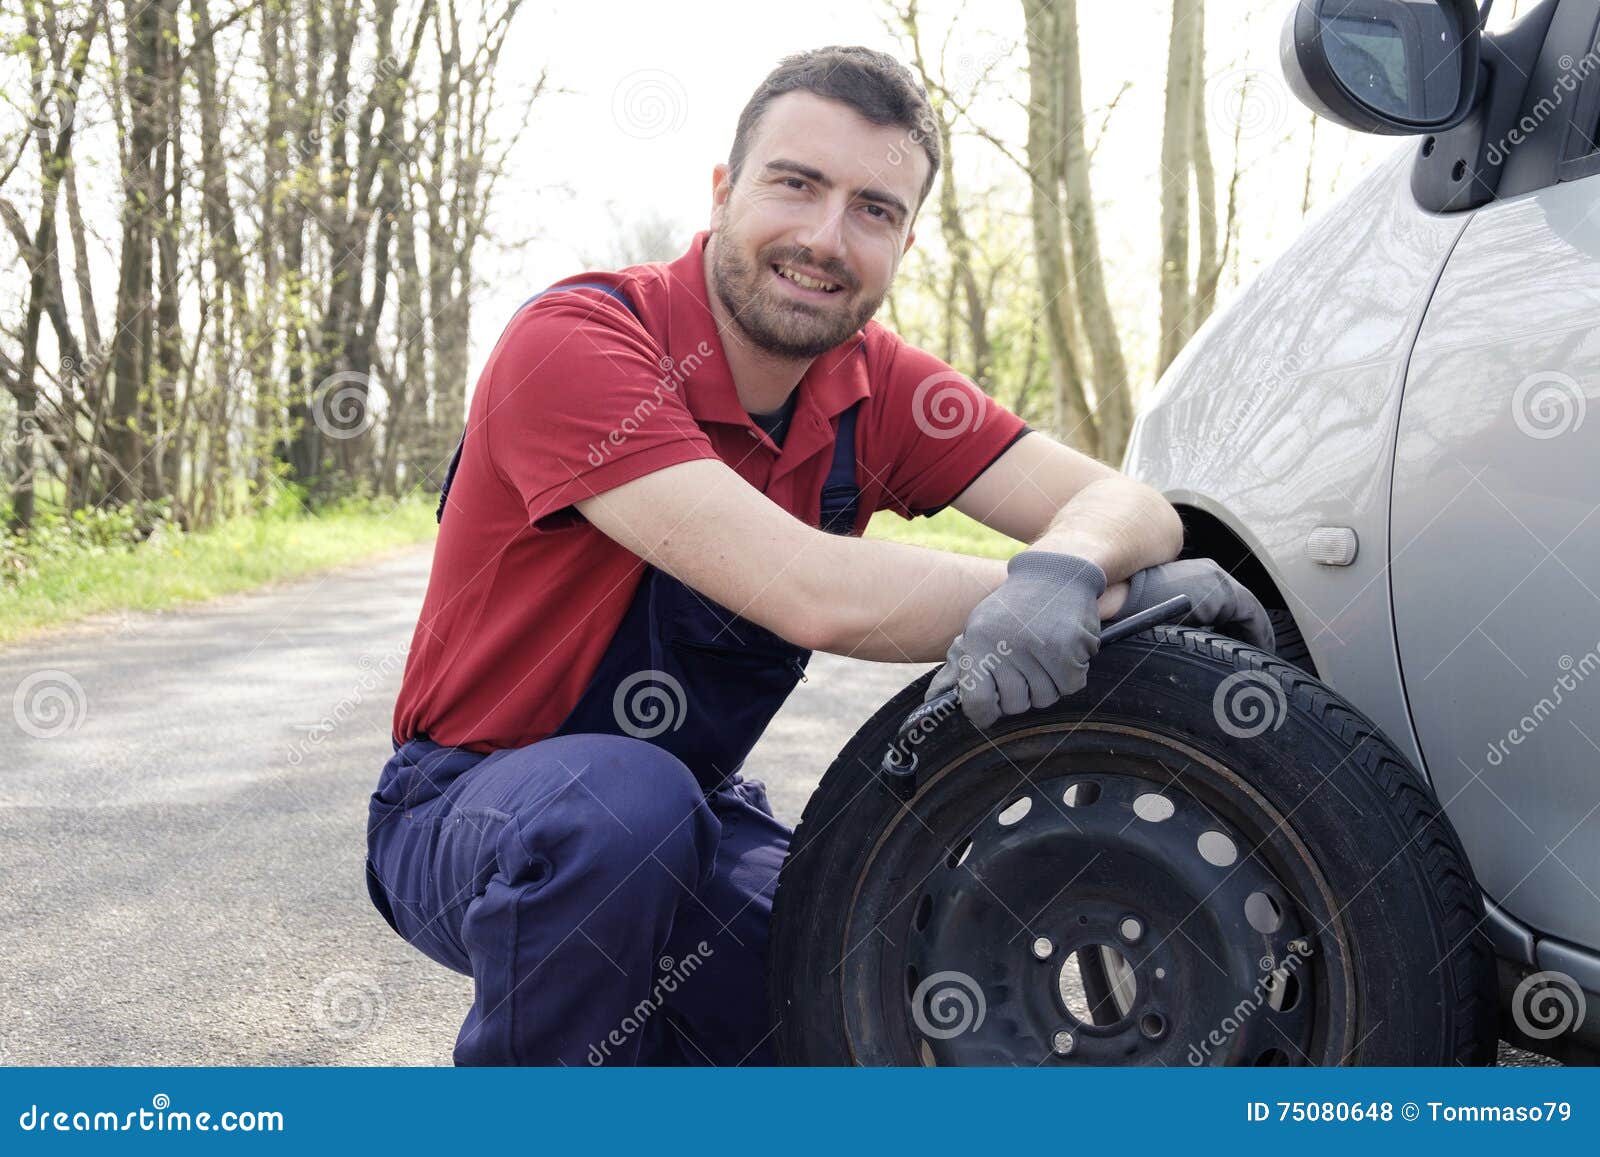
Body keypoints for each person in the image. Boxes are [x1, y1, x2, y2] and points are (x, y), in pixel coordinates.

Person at [365, 45, 1273, 1067]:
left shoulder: (877, 387)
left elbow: (1125, 502)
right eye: (796, 184)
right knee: (620, 816)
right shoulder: (574, 343)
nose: (823, 236)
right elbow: (808, 590)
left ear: (904, 240)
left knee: (864, 975)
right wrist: (1119, 601)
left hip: (690, 819)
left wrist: (1070, 568)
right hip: (469, 808)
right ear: (723, 190)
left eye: (872, 210)